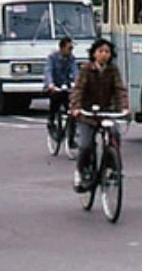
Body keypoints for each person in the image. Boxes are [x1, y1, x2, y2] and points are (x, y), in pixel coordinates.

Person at [70, 38, 129, 193]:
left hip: (106, 112)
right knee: (86, 145)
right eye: (101, 51)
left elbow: (120, 90)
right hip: (87, 114)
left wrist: (124, 107)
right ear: (94, 54)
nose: (104, 54)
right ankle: (81, 171)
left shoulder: (113, 70)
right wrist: (76, 108)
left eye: (107, 52)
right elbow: (78, 90)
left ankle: (112, 168)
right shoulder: (86, 69)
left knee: (114, 135)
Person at [44, 37, 80, 130]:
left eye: (72, 48)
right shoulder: (52, 57)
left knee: (71, 104)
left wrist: (78, 82)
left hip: (65, 85)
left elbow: (75, 70)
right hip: (54, 85)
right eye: (69, 48)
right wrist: (50, 84)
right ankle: (51, 120)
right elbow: (48, 71)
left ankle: (72, 130)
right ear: (62, 48)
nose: (71, 51)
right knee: (55, 98)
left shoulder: (71, 58)